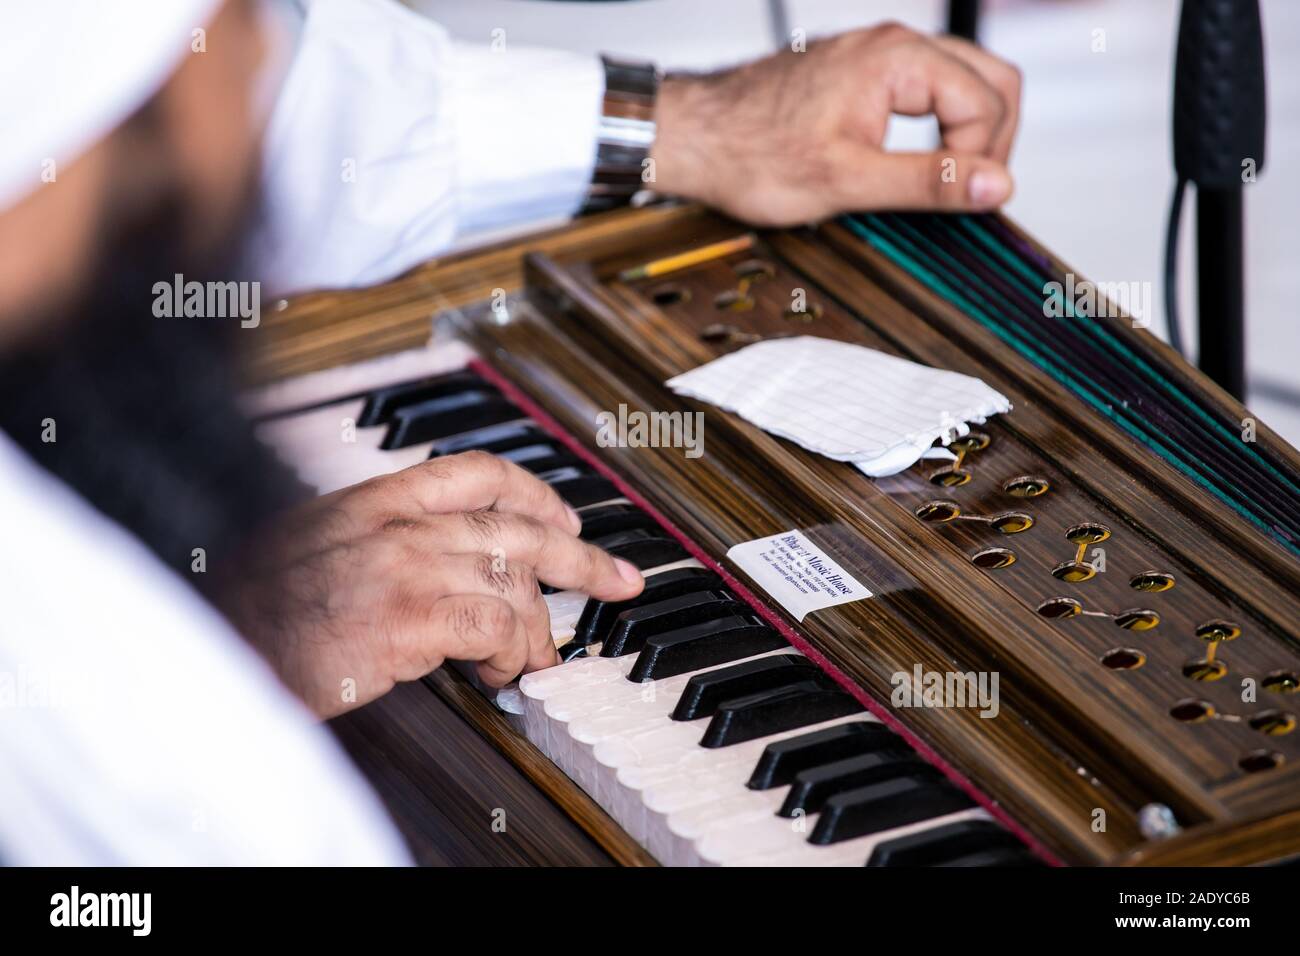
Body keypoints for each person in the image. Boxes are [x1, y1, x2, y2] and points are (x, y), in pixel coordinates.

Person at [0, 0, 1021, 864]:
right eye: (247, 15)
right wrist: (216, 663)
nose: (265, 49)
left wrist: (696, 124)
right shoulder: (125, 755)